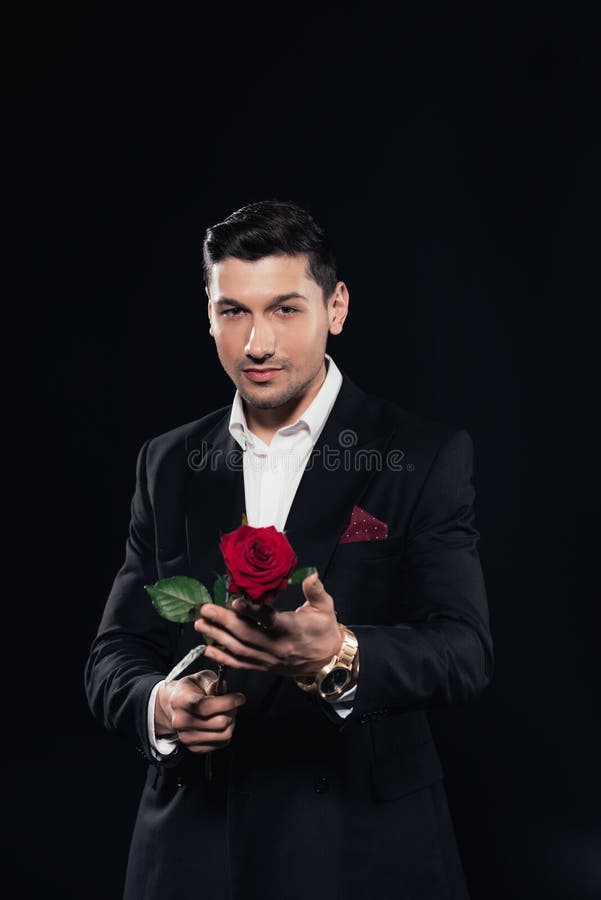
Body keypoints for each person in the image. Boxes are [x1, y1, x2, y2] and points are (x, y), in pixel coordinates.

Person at [85, 199, 493, 900]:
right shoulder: (169, 462)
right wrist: (162, 705)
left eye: (284, 309)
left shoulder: (421, 455)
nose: (256, 344)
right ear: (208, 313)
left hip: (357, 850)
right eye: (233, 312)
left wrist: (338, 657)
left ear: (335, 307)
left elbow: (463, 651)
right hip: (192, 850)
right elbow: (114, 653)